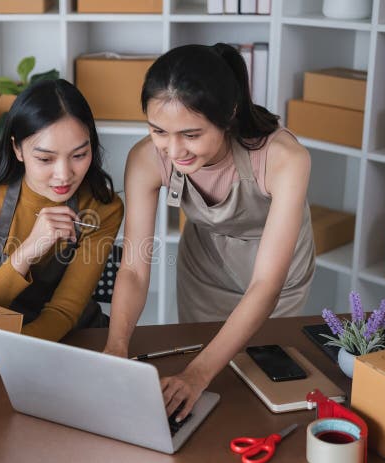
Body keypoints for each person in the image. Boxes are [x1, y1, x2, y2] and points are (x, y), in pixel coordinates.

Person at [104, 44, 315, 422]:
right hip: (205, 267)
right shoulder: (146, 159)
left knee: (257, 386)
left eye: (191, 134)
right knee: (203, 384)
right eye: (158, 131)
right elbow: (134, 269)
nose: (173, 150)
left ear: (229, 115)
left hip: (275, 277)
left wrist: (197, 374)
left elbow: (267, 284)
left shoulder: (283, 158)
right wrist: (116, 346)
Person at [0, 79, 124, 342]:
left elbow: (64, 311)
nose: (64, 175)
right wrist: (27, 252)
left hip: (75, 337)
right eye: (45, 159)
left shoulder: (103, 207)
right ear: (17, 149)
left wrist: (11, 350)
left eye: (79, 155)